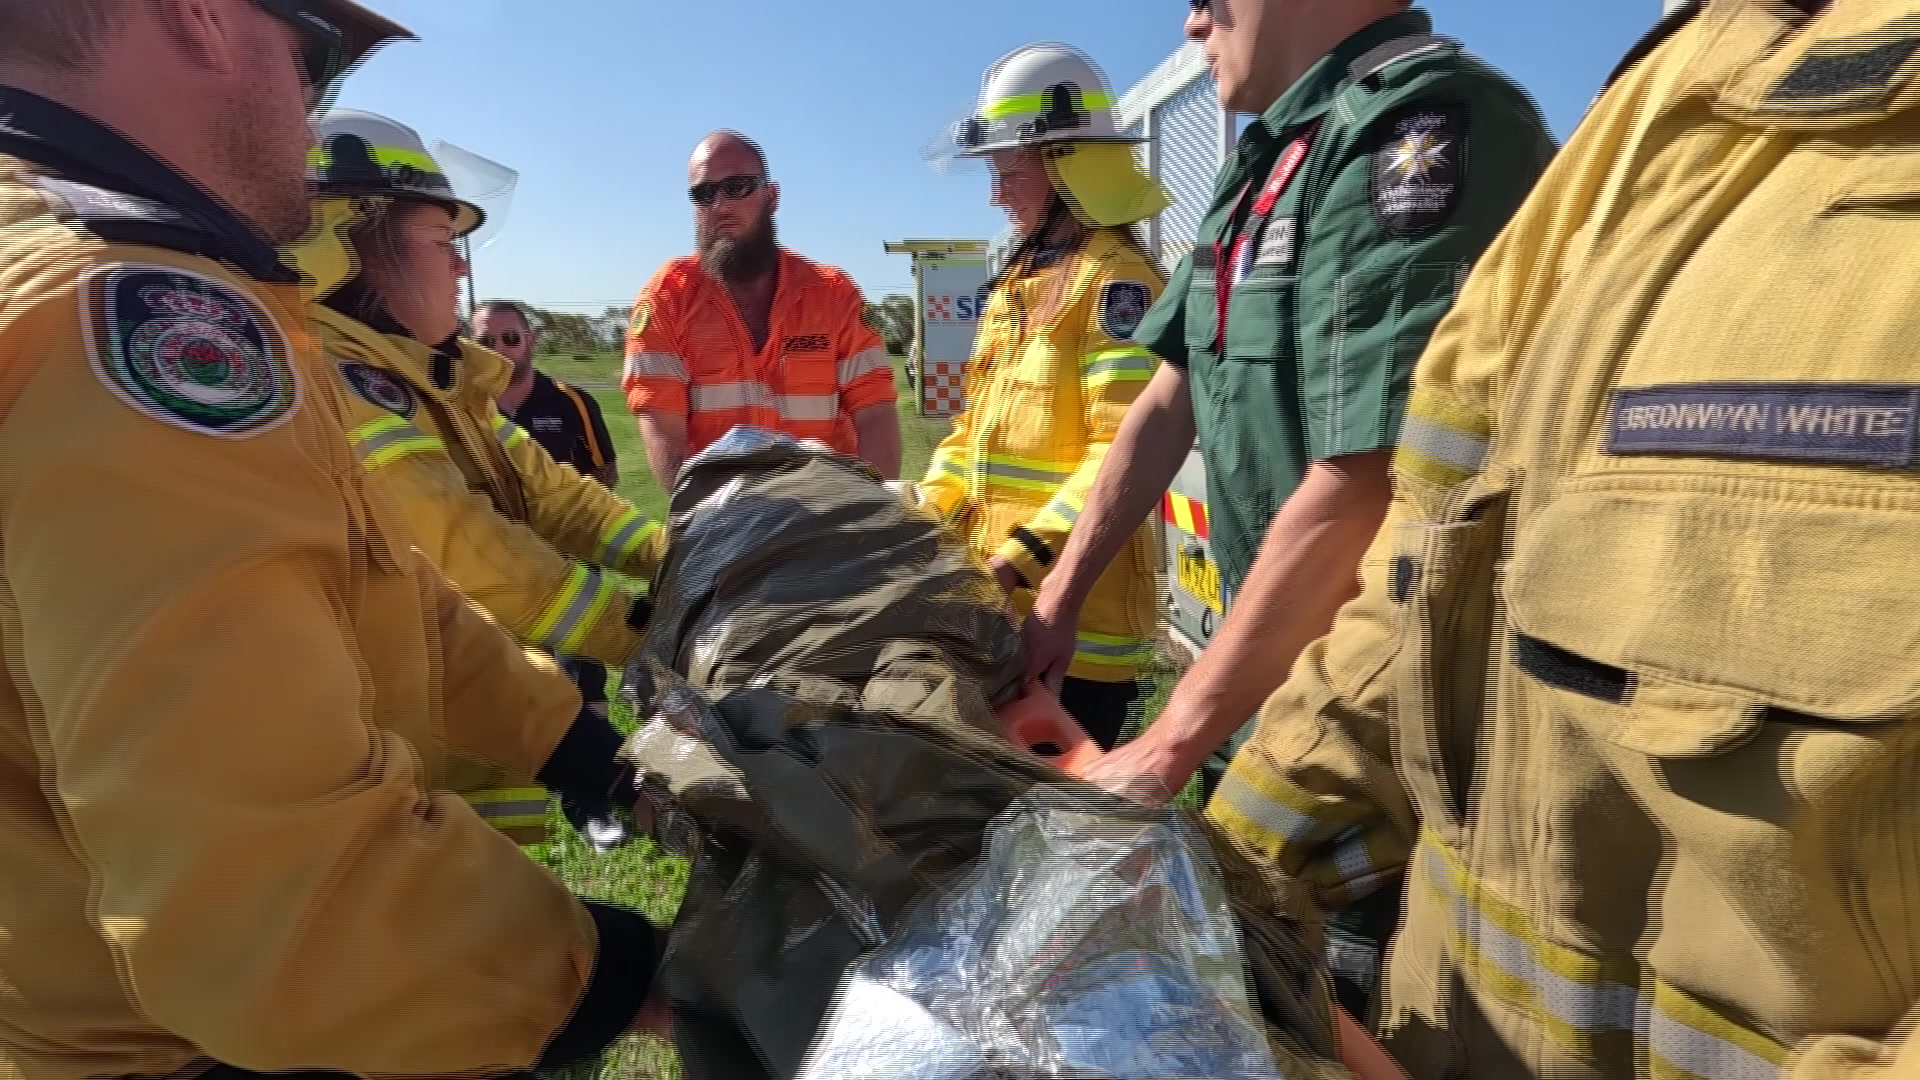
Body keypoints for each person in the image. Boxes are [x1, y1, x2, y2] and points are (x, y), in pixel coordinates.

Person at [1200, 0, 1920, 1077]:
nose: (1189, 23)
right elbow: (1420, 577)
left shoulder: (1449, 123)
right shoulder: (1649, 113)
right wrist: (1217, 875)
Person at [0, 2, 664, 1077]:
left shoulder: (90, 276)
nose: (313, 131)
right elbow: (272, 899)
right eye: (312, 60)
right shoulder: (126, 318)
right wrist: (632, 977)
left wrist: (584, 751)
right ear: (201, 16)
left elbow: (392, 586)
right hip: (184, 1050)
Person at [1020, 0, 1555, 1020]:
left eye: (1208, 0)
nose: (1189, 26)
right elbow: (1164, 404)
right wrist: (1061, 596)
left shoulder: (1427, 126)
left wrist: (1167, 741)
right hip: (1263, 701)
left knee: (1361, 1010)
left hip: (1389, 740)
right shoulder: (1268, 160)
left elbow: (1368, 480)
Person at [290, 108, 666, 851]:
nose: (461, 266)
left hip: (459, 753)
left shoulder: (429, 378)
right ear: (348, 246)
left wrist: (678, 557)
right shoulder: (329, 381)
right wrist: (653, 635)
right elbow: (476, 555)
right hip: (390, 780)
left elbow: (556, 493)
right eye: (440, 241)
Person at [910, 43, 1170, 752]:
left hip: (1075, 635)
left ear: (1066, 161)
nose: (998, 194)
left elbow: (1122, 450)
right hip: (1002, 612)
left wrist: (1017, 562)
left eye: (1009, 170)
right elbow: (971, 432)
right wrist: (922, 523)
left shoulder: (1117, 282)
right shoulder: (1020, 284)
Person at [621, 131, 901, 485]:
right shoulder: (666, 299)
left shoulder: (833, 294)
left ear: (772, 197)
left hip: (831, 517)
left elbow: (876, 413)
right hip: (722, 521)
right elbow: (663, 433)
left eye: (737, 187)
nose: (721, 206)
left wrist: (872, 512)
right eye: (704, 194)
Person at [483, 298, 622, 763]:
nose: (499, 349)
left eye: (510, 337)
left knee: (580, 664)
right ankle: (531, 760)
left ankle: (599, 767)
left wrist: (564, 521)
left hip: (566, 561)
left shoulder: (572, 401)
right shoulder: (458, 406)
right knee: (503, 664)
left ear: (531, 341)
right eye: (485, 340)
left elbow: (606, 476)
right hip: (490, 560)